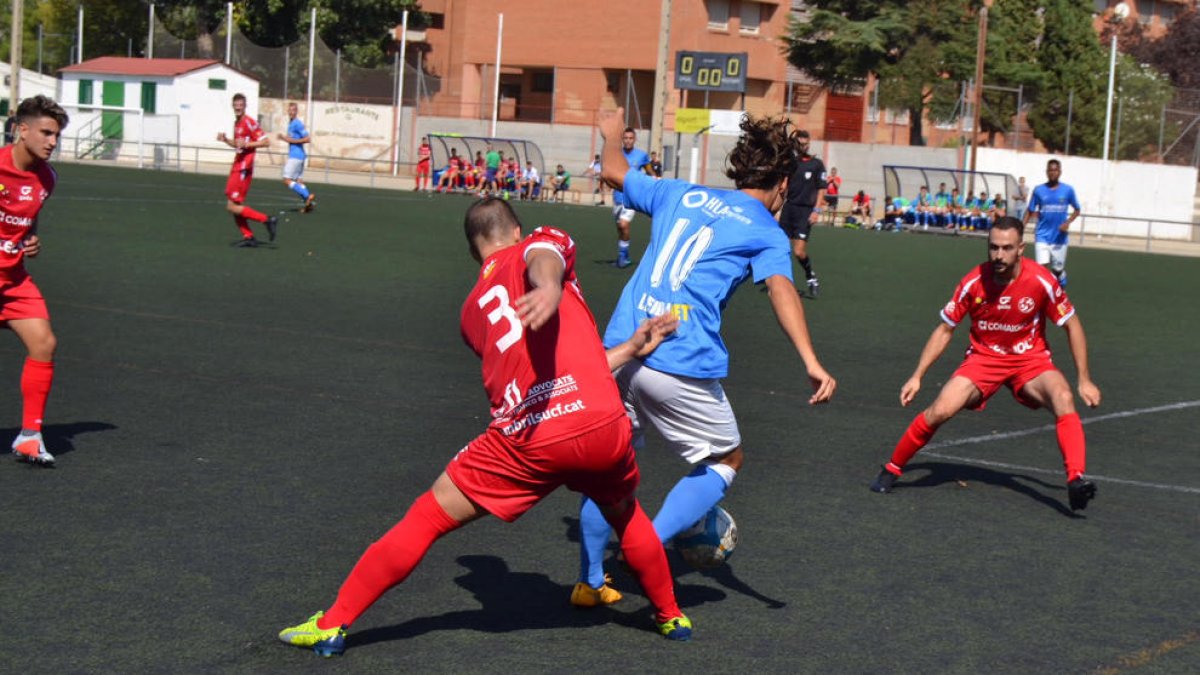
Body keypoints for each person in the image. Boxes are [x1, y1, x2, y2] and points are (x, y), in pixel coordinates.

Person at [277, 199, 694, 657]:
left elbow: (538, 358)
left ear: (474, 251)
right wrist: (553, 288)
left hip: (528, 439)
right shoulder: (540, 242)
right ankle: (670, 615)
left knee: (426, 517)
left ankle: (333, 623)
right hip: (598, 422)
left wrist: (619, 341)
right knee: (625, 513)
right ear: (517, 230)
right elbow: (545, 260)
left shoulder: (471, 314)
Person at [572, 108, 836, 604]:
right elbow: (781, 289)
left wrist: (610, 135)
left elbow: (613, 170)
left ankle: (589, 583)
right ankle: (644, 545)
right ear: (781, 183)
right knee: (727, 457)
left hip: (621, 350)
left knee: (613, 467)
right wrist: (810, 359)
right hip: (677, 359)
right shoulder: (766, 230)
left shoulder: (678, 191)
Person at [868, 217, 1100, 511]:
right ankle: (892, 468)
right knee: (940, 409)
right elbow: (944, 330)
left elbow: (1073, 325)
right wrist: (917, 376)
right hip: (983, 359)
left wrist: (1084, 378)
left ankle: (1075, 480)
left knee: (1064, 397)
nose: (998, 255)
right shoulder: (973, 282)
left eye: (1006, 248)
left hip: (1030, 360)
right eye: (993, 247)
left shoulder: (1042, 280)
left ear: (1021, 249)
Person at [0, 96, 68, 465]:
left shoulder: (48, 177)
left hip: (12, 279)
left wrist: (31, 238)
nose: (52, 141)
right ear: (20, 129)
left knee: (43, 342)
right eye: (45, 132)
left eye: (56, 135)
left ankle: (29, 436)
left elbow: (30, 215)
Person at [217, 93, 277, 248]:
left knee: (232, 206)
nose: (238, 107)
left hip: (244, 167)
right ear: (233, 105)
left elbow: (266, 142)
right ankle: (248, 236)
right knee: (233, 206)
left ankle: (267, 220)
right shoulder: (237, 123)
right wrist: (226, 140)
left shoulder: (250, 122)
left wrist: (247, 145)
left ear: (245, 106)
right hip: (237, 164)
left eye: (240, 105)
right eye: (235, 104)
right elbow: (238, 145)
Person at [778, 129, 827, 297]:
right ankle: (781, 281)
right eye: (800, 144)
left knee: (798, 252)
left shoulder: (817, 164)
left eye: (806, 144)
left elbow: (821, 189)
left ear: (809, 143)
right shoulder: (790, 162)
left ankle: (810, 277)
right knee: (779, 246)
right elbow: (784, 183)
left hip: (805, 211)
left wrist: (816, 210)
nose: (803, 147)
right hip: (789, 208)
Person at [1023, 159, 1080, 288]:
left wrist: (1067, 222)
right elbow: (1030, 210)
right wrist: (1020, 228)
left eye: (1055, 170)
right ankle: (1045, 298)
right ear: (1046, 172)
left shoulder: (1068, 190)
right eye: (1050, 170)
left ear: (1060, 172)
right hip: (1042, 235)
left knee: (1057, 270)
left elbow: (1077, 210)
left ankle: (1061, 278)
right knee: (1041, 269)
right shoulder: (1038, 190)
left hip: (1059, 238)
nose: (1053, 173)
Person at [611, 127, 652, 268]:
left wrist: (651, 184)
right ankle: (625, 254)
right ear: (622, 139)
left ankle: (622, 257)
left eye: (630, 138)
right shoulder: (616, 154)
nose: (628, 140)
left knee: (623, 224)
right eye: (625, 138)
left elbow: (650, 172)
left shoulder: (641, 156)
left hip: (632, 198)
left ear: (634, 139)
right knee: (620, 229)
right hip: (617, 196)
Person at [276, 102, 316, 213]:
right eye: (290, 110)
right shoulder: (291, 123)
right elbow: (290, 139)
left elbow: (307, 139)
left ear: (296, 111)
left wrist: (291, 140)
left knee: (286, 180)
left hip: (296, 156)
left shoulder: (297, 123)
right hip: (299, 156)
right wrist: (285, 138)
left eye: (293, 110)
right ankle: (308, 205)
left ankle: (307, 195)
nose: (291, 112)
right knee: (299, 181)